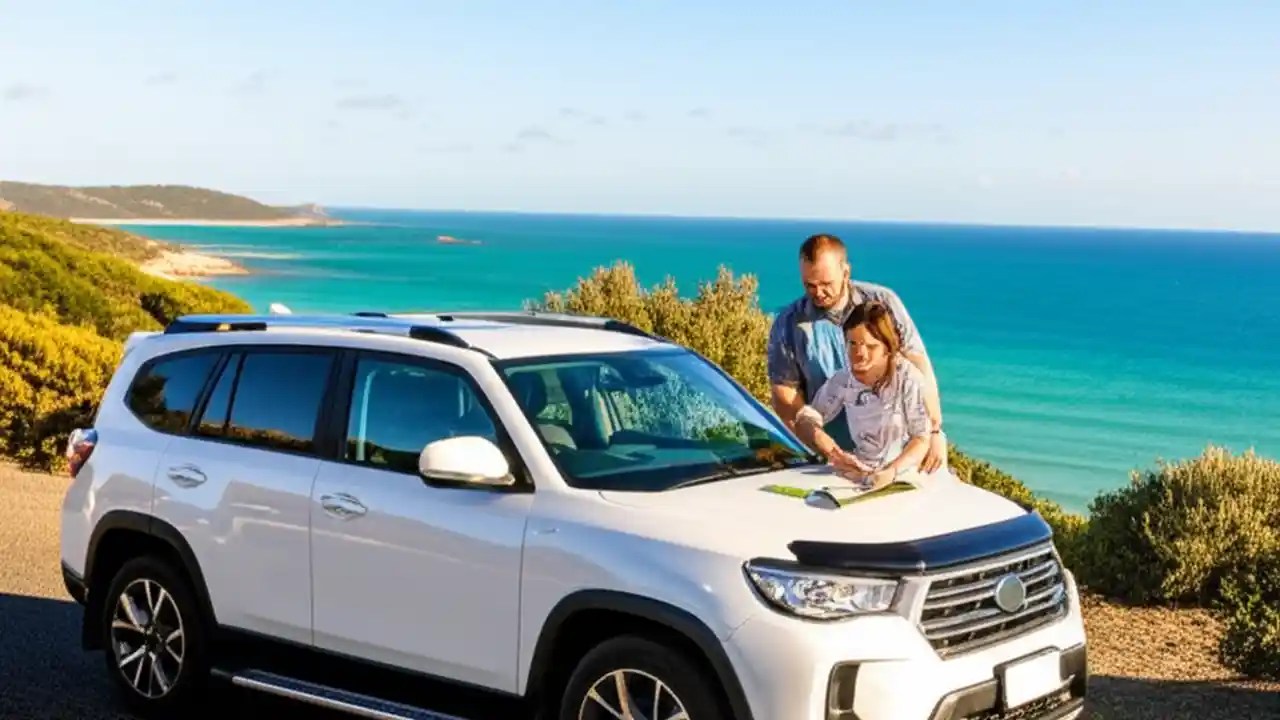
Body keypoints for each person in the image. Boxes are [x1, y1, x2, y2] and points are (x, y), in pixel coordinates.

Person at [766, 233, 947, 471]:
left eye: (826, 284)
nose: (818, 293)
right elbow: (784, 394)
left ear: (846, 272)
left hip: (902, 456)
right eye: (810, 285)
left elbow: (917, 365)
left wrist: (934, 431)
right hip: (834, 460)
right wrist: (816, 438)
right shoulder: (789, 323)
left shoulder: (882, 302)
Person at [791, 300, 935, 487]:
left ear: (888, 349)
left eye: (870, 346)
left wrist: (891, 472)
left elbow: (922, 438)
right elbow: (807, 419)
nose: (859, 354)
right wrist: (827, 446)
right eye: (852, 343)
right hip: (862, 476)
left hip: (906, 477)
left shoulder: (907, 378)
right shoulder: (844, 380)